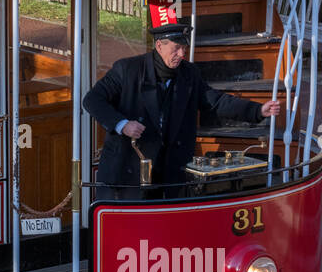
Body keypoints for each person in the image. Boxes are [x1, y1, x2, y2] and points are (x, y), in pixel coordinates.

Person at [84, 21, 281, 199]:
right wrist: (122, 125)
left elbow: (215, 102)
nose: (182, 54)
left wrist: (258, 110)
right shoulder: (127, 70)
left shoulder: (189, 74)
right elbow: (92, 100)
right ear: (159, 45)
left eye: (184, 48)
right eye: (176, 48)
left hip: (169, 175)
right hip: (127, 174)